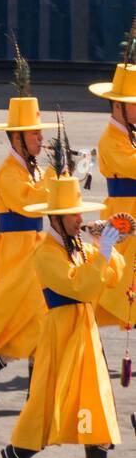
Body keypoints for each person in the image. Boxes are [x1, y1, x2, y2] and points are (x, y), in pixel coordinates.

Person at [3, 160, 124, 458]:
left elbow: (111, 278)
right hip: (61, 330)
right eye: (73, 214)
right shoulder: (45, 254)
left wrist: (103, 248)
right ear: (55, 219)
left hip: (83, 328)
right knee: (47, 399)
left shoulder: (79, 247)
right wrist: (102, 254)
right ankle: (17, 452)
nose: (80, 219)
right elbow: (80, 287)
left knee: (94, 396)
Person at [0, 70, 57, 406]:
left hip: (33, 250)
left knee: (37, 320)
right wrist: (55, 181)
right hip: (17, 253)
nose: (40, 139)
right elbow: (31, 205)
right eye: (33, 133)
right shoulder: (8, 173)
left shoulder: (32, 170)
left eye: (39, 133)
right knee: (26, 319)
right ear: (16, 138)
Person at [88, 54, 136, 329]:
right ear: (118, 106)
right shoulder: (110, 140)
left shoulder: (130, 134)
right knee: (110, 286)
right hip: (123, 217)